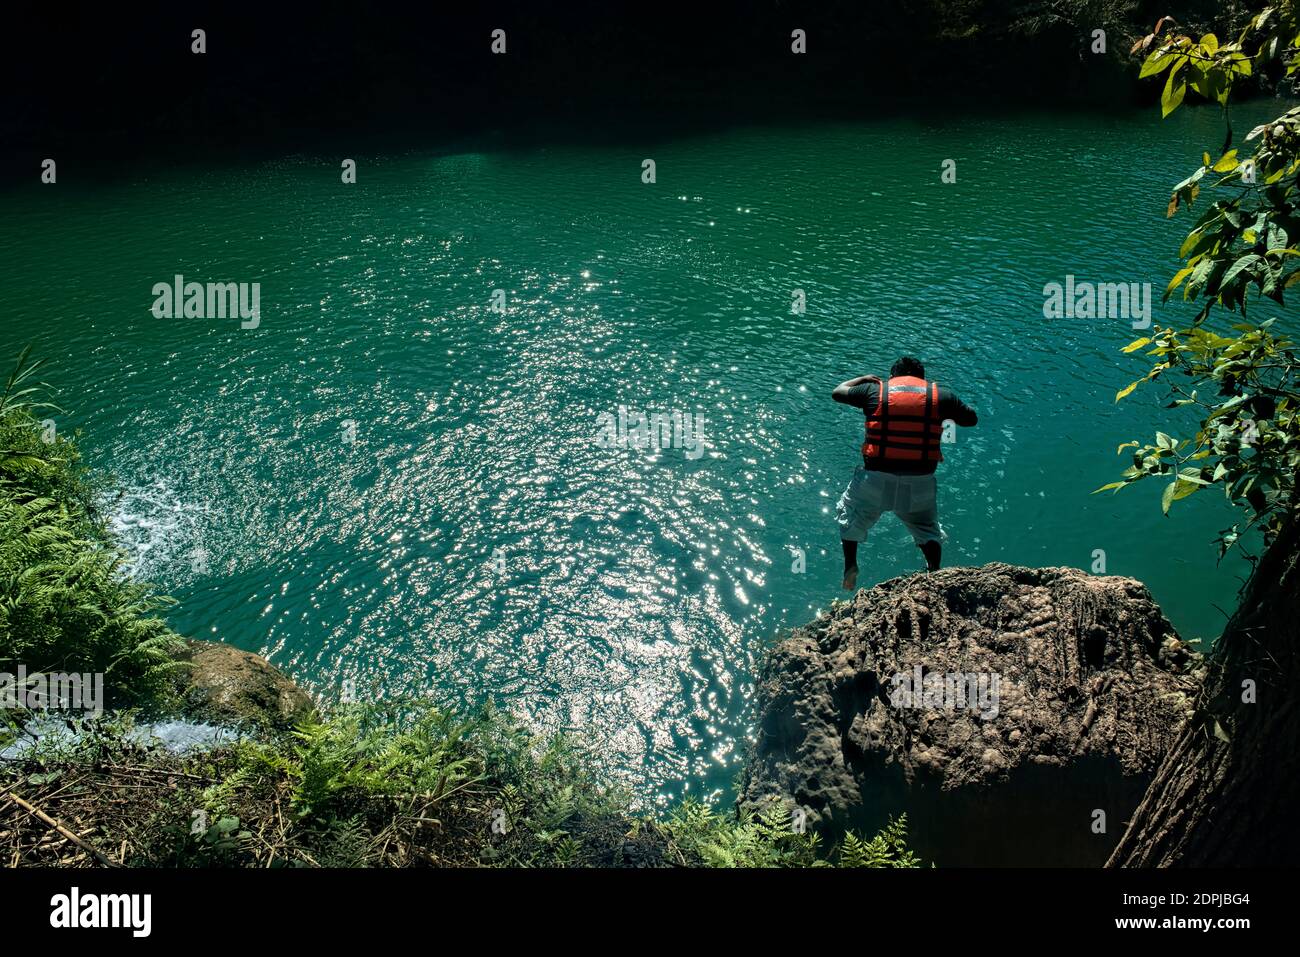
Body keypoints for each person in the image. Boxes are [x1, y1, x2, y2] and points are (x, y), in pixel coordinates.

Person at [832, 356, 977, 589]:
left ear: (892, 376)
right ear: (922, 378)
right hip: (918, 483)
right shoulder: (941, 396)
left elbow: (838, 391)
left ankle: (851, 565)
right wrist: (943, 401)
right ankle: (934, 573)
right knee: (927, 529)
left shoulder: (873, 391)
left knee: (850, 515)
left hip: (874, 480)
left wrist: (863, 378)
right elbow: (971, 419)